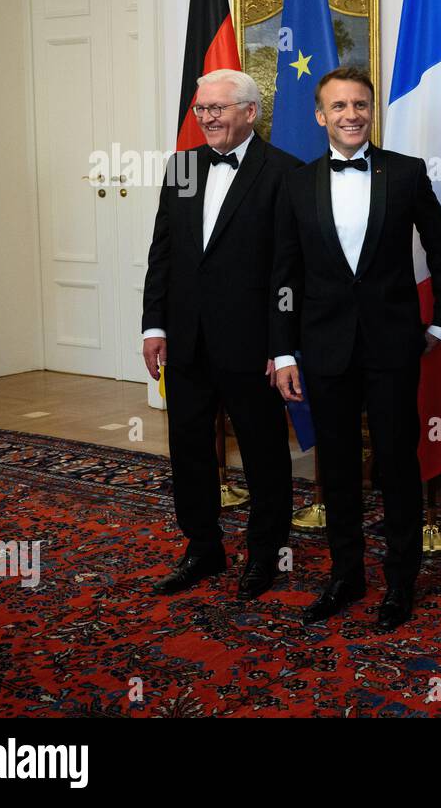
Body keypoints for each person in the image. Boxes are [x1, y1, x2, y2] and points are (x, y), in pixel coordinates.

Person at [271, 66, 441, 628]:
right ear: (320, 115)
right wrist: (284, 351)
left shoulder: (406, 172)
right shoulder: (297, 183)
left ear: (372, 111)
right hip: (323, 348)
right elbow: (283, 274)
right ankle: (345, 576)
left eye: (360, 104)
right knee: (337, 466)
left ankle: (401, 582)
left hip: (393, 346)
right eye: (339, 106)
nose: (351, 114)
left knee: (398, 462)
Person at [142, 68, 299, 599]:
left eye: (218, 108)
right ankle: (202, 548)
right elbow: (163, 251)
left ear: (250, 112)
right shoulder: (182, 167)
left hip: (251, 345)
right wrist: (154, 324)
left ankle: (264, 554)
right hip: (186, 339)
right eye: (201, 109)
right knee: (188, 447)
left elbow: (287, 272)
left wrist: (281, 347)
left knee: (263, 452)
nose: (207, 118)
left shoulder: (284, 172)